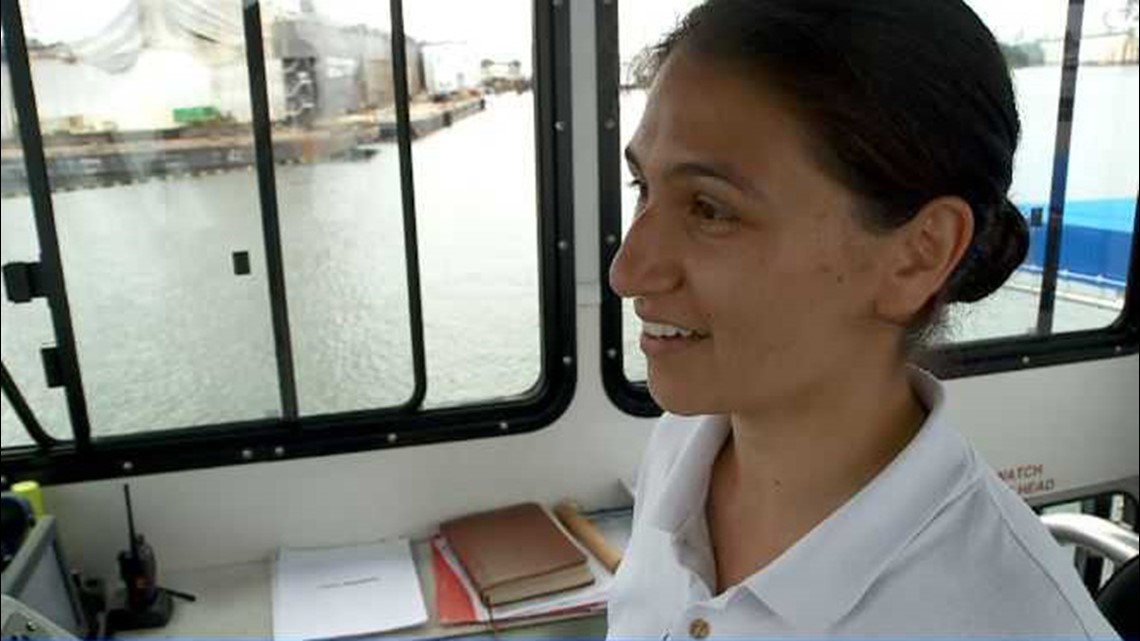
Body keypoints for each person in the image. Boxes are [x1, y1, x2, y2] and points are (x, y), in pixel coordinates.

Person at [605, 0, 1120, 637]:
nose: (627, 271)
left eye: (711, 209)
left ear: (917, 255)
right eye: (643, 189)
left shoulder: (1018, 623)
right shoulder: (682, 448)